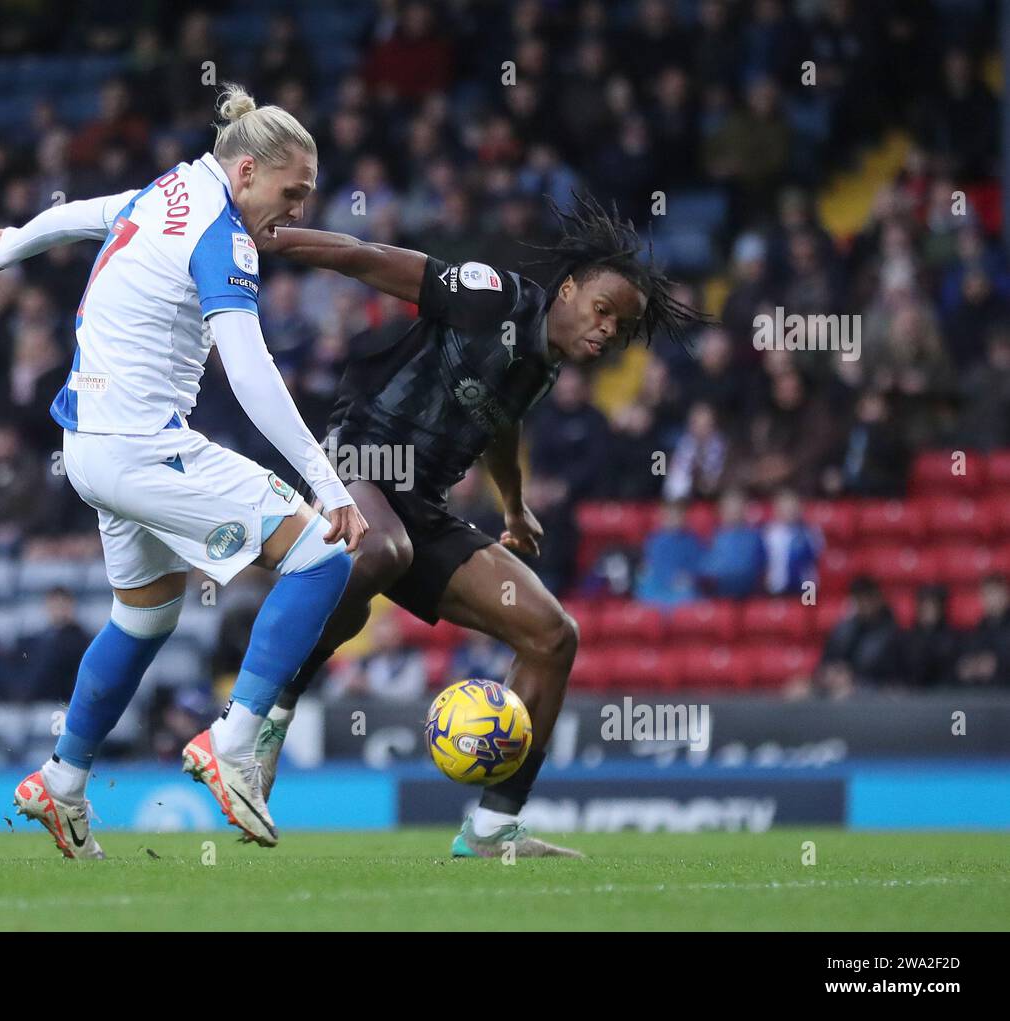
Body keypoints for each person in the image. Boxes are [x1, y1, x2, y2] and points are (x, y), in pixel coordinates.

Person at [0, 84, 365, 856]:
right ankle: (233, 740)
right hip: (141, 445)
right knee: (321, 553)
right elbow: (250, 374)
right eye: (293, 191)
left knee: (146, 616)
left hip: (92, 448)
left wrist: (12, 245)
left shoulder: (170, 188)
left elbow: (80, 213)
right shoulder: (221, 232)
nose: (300, 211)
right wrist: (329, 481)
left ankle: (63, 780)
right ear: (247, 171)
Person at [253, 193, 705, 858]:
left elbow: (500, 422)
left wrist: (515, 507)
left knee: (553, 635)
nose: (607, 330)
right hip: (357, 457)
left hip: (424, 505)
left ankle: (493, 828)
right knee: (381, 549)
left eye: (621, 326)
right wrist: (274, 239)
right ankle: (271, 710)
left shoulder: (544, 364)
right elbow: (367, 256)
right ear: (571, 288)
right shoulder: (489, 295)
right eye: (603, 310)